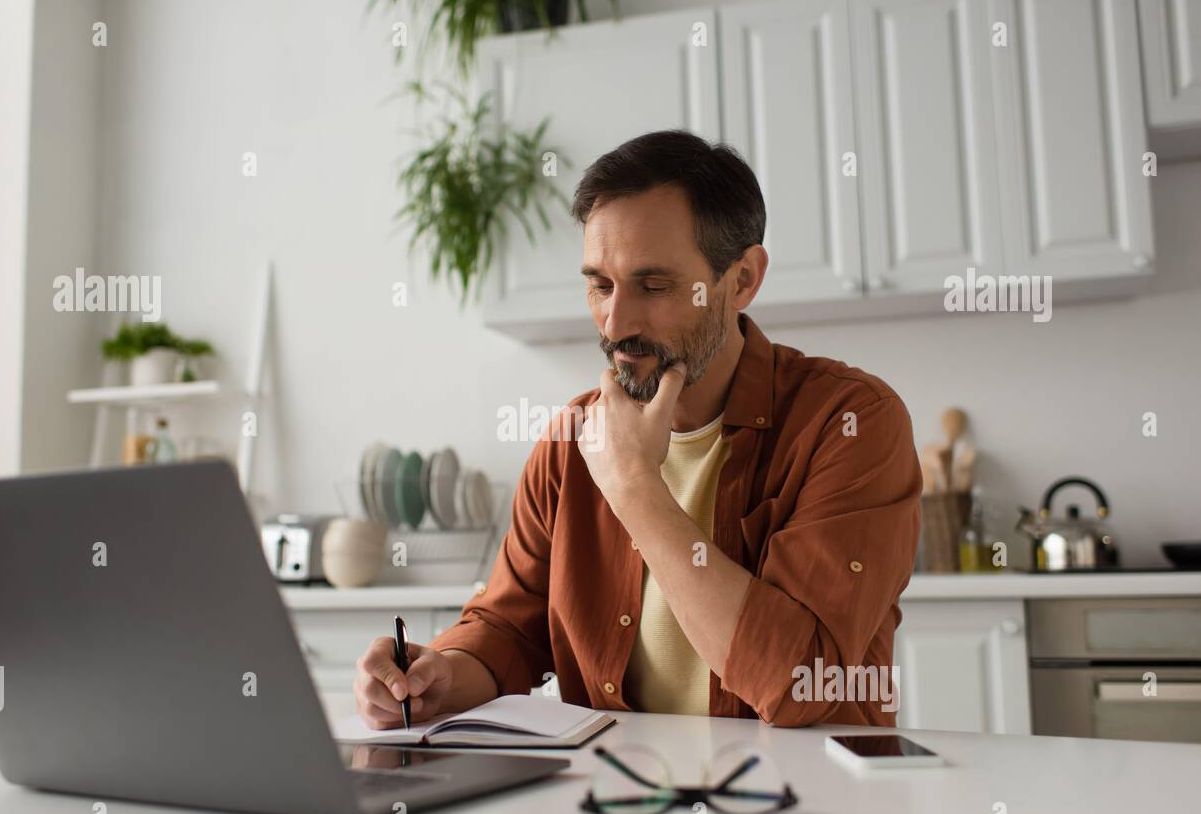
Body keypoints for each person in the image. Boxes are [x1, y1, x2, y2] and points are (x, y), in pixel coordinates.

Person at [355, 129, 921, 729]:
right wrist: (439, 674)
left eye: (654, 286)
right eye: (599, 285)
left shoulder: (851, 423)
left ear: (743, 279)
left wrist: (633, 487)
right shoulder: (570, 440)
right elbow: (506, 628)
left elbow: (801, 684)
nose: (616, 321)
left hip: (810, 807)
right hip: (617, 804)